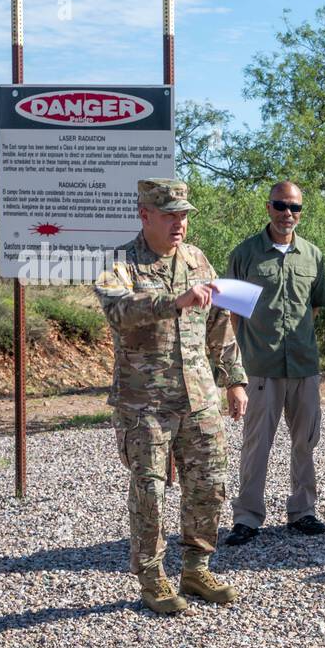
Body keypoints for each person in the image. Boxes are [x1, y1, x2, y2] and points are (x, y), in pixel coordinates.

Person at [94, 178, 249, 615]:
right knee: (150, 492)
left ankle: (197, 568)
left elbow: (220, 321)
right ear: (145, 215)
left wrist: (234, 380)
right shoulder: (119, 263)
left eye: (183, 215)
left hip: (199, 398)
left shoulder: (198, 259)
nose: (179, 223)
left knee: (209, 486)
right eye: (170, 215)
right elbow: (118, 310)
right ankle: (152, 577)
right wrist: (172, 301)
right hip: (145, 405)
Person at [223, 181, 325, 545]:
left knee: (305, 442)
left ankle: (303, 512)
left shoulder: (313, 256)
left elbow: (312, 309)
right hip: (260, 367)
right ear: (268, 208)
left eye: (295, 207)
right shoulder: (246, 254)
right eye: (281, 206)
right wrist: (238, 367)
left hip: (303, 366)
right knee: (257, 444)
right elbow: (233, 315)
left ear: (302, 211)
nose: (288, 214)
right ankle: (247, 517)